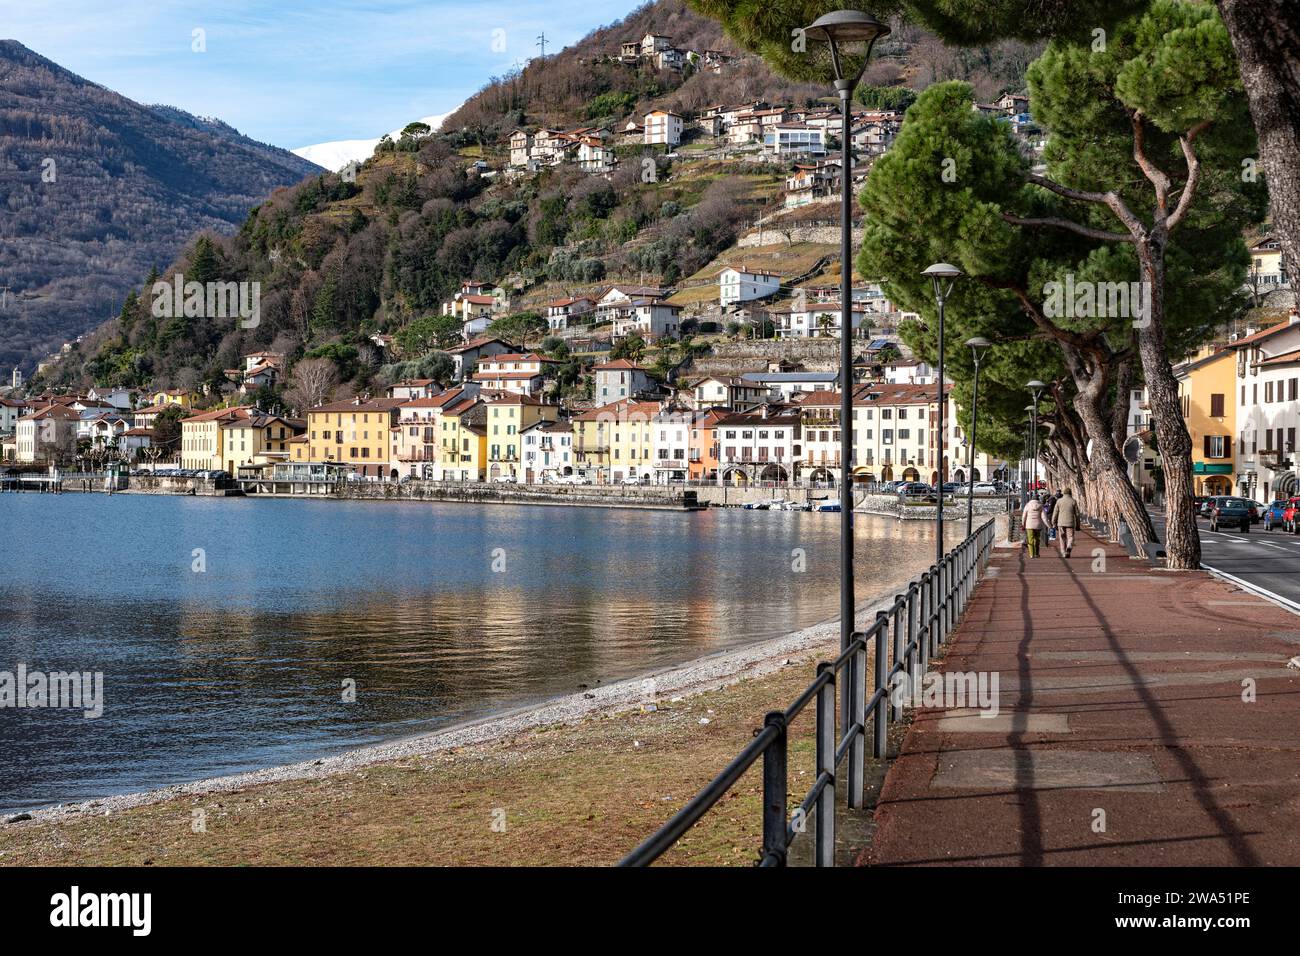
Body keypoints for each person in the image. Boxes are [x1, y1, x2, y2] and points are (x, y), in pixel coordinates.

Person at [1054, 488, 1079, 558]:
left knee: (1062, 538)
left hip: (1061, 523)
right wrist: (1078, 525)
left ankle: (1063, 552)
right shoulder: (1073, 501)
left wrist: (1054, 522)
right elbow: (1077, 514)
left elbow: (1055, 513)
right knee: (1070, 537)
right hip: (1070, 523)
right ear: (1070, 493)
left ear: (1064, 493)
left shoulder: (1059, 501)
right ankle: (1069, 547)